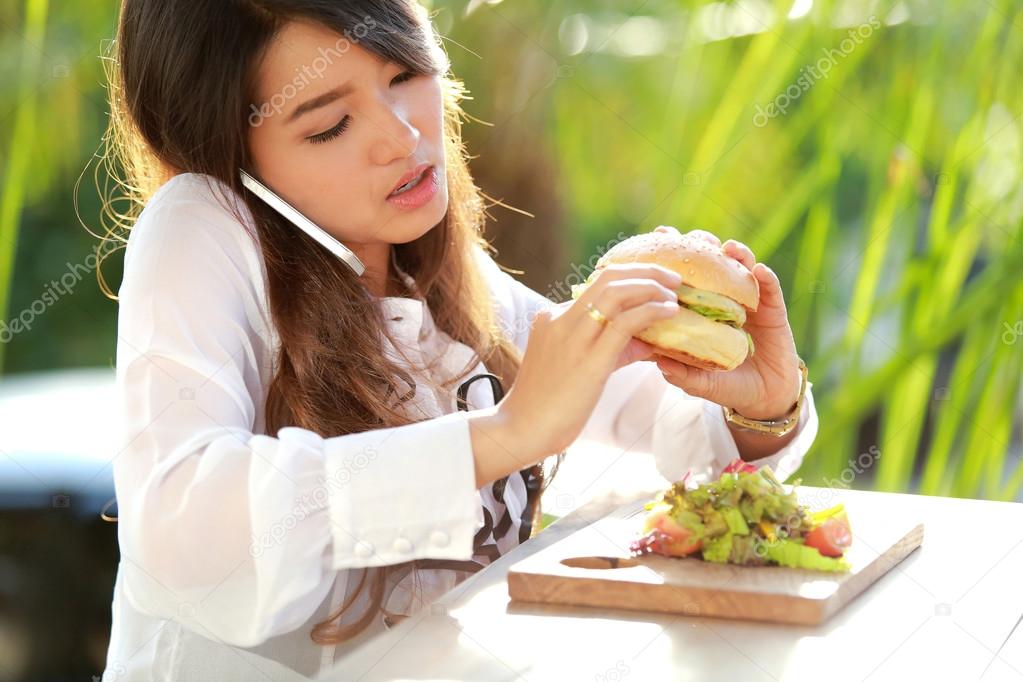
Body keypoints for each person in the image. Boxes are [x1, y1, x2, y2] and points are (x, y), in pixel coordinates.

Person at [98, 1, 818, 679]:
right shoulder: (199, 221)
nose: (402, 136)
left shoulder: (436, 280)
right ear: (228, 157)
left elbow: (661, 426)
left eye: (404, 75)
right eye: (328, 126)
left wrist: (763, 404)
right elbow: (179, 530)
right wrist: (502, 434)